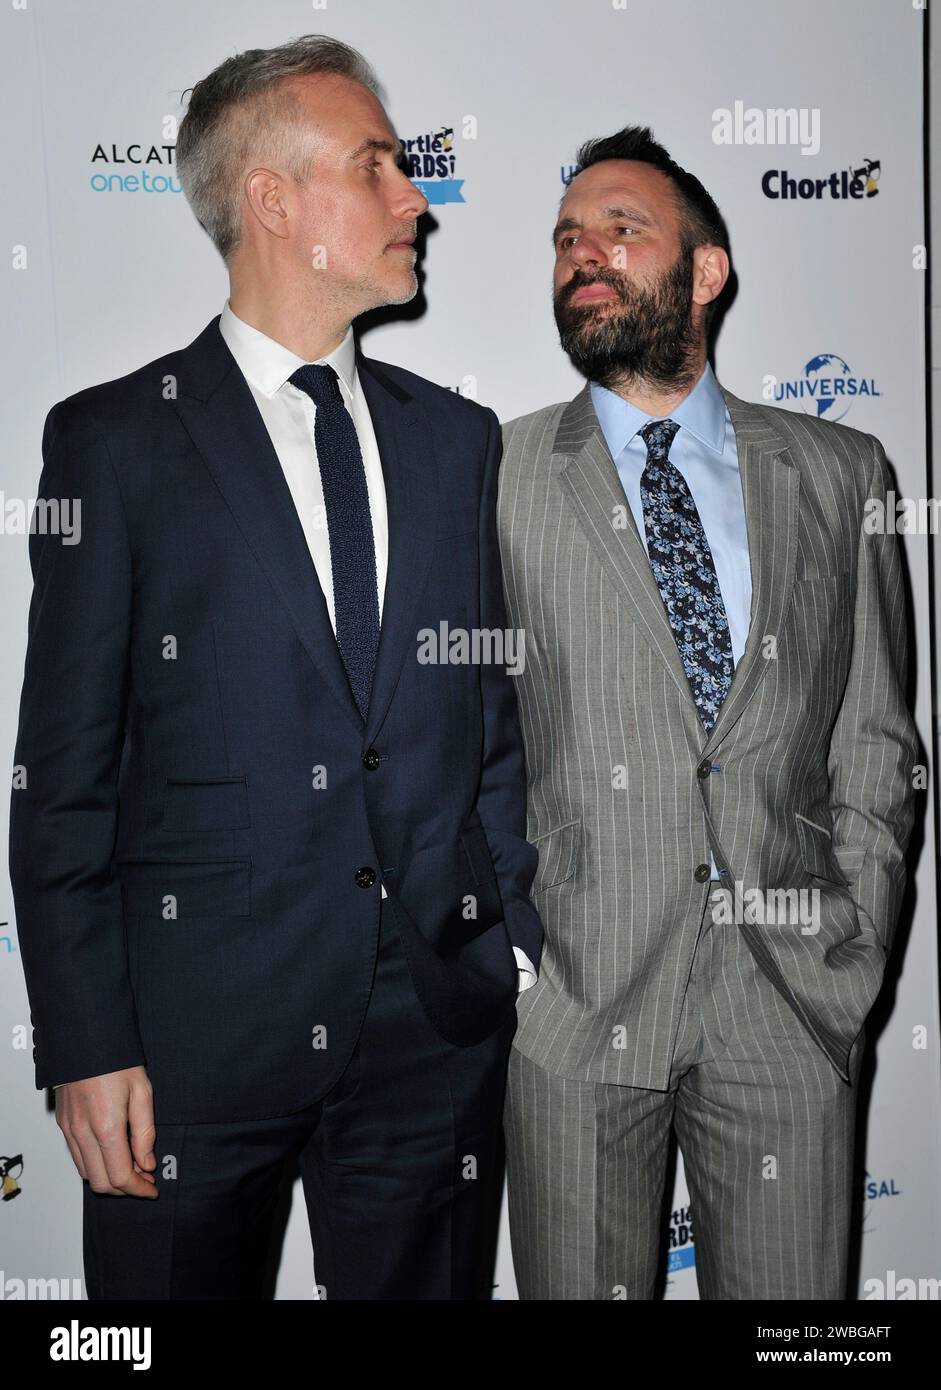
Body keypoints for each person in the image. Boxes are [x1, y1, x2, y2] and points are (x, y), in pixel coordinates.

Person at [9, 34, 541, 1301]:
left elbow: (490, 721)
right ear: (272, 200)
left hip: (430, 1033)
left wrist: (505, 934)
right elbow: (64, 775)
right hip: (187, 1052)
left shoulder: (455, 443)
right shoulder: (113, 445)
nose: (416, 196)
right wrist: (86, 1044)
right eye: (377, 166)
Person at [497, 125, 918, 1300]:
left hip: (790, 1000)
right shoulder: (496, 474)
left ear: (705, 269)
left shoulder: (843, 474)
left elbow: (876, 738)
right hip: (574, 1012)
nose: (584, 254)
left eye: (620, 230)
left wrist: (856, 941)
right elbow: (461, 737)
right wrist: (514, 962)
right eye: (566, 238)